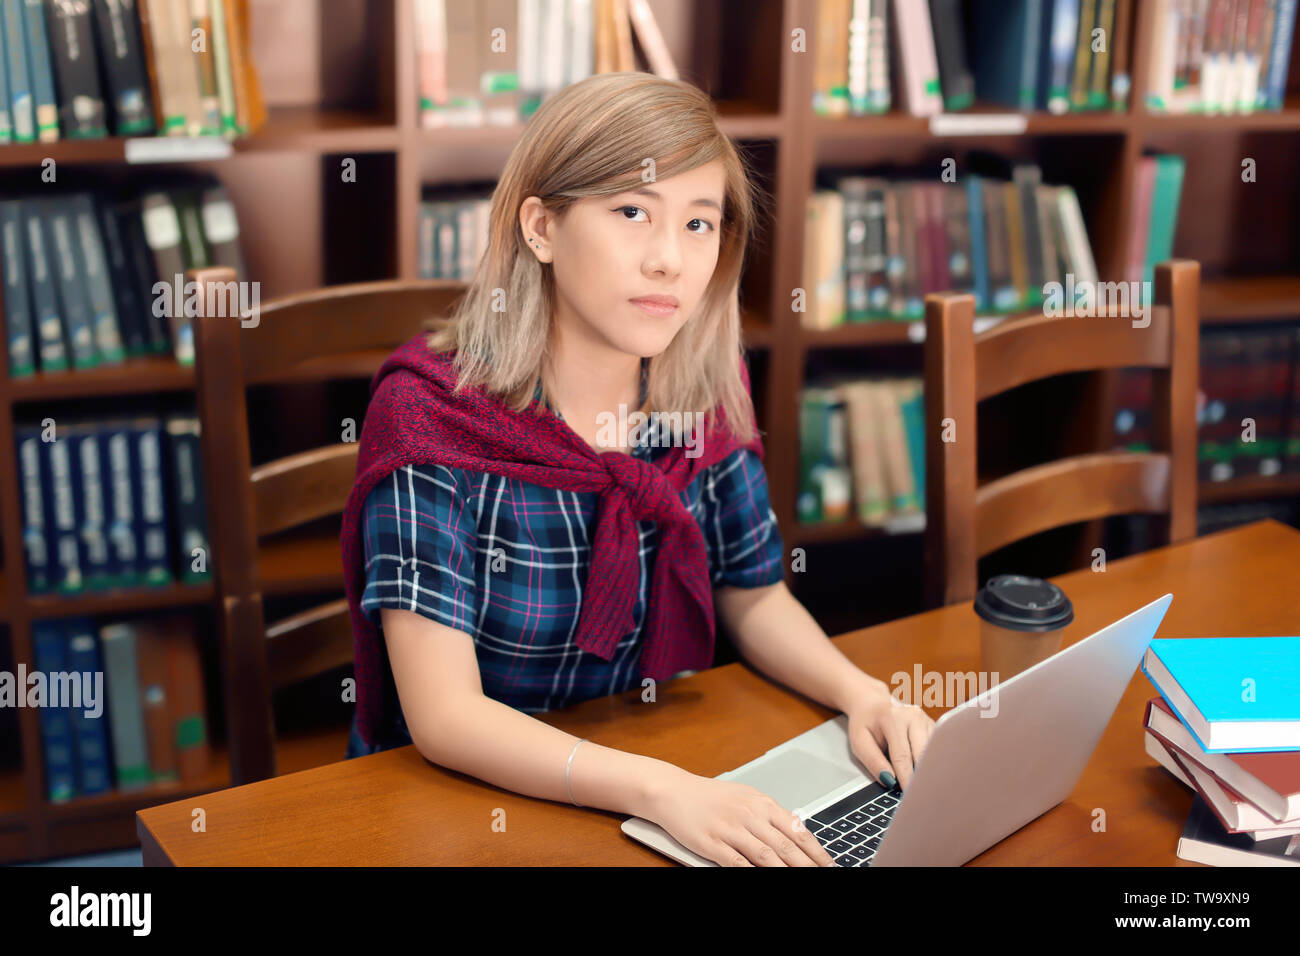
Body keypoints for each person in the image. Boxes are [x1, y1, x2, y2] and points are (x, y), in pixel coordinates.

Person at [339, 71, 935, 867]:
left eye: (699, 224)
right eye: (632, 213)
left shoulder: (702, 386)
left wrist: (862, 694)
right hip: (468, 803)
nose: (670, 262)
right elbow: (445, 717)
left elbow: (752, 593)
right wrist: (663, 791)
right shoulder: (431, 418)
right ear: (541, 228)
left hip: (645, 758)